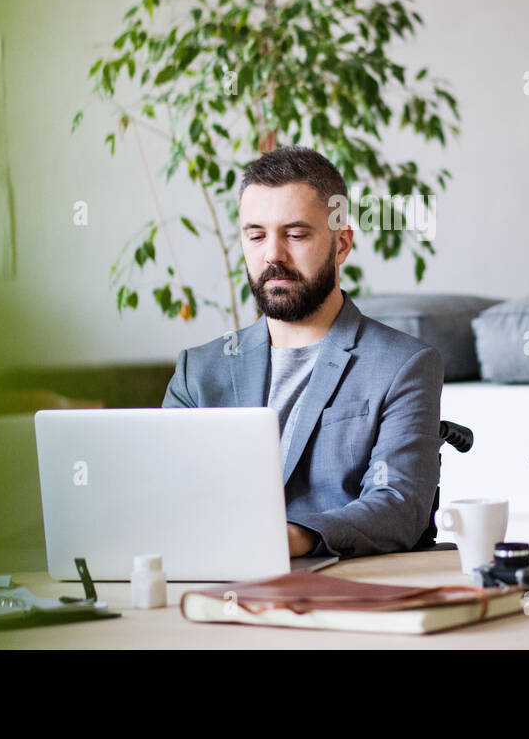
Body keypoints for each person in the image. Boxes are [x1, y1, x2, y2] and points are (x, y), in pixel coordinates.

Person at [161, 146, 445, 558]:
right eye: (256, 236)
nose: (272, 254)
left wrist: (296, 538)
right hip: (208, 574)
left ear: (341, 244)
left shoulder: (403, 365)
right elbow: (164, 494)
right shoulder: (198, 371)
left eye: (295, 234)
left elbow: (398, 504)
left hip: (339, 584)